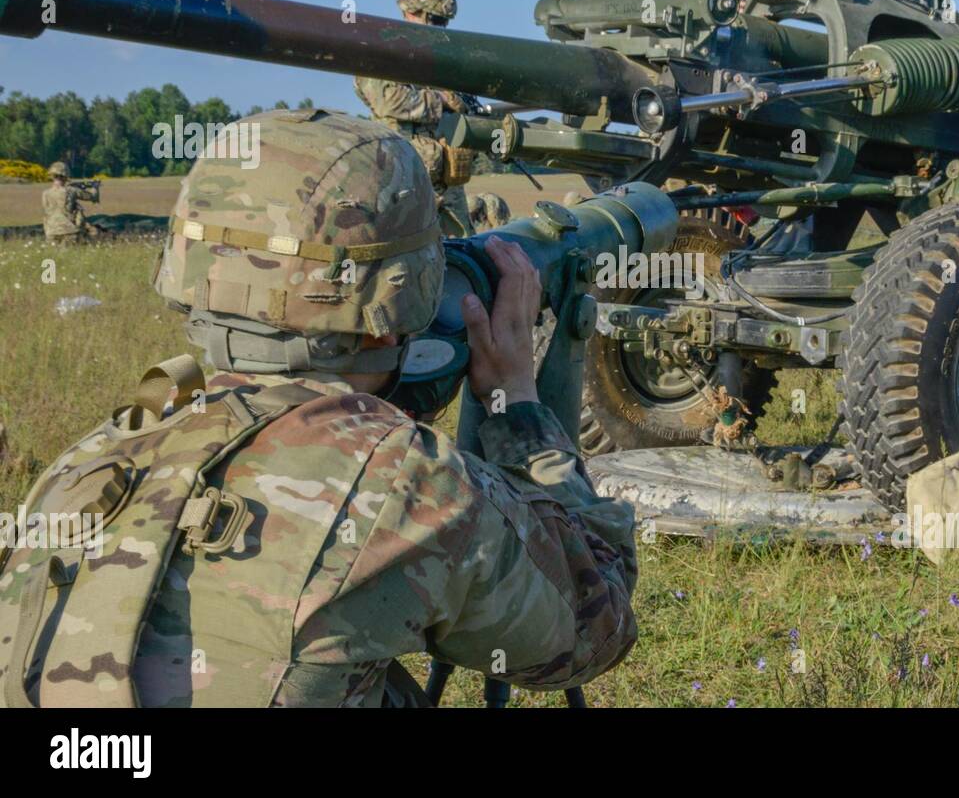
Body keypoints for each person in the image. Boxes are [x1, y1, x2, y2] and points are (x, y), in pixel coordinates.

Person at [0, 108, 637, 707]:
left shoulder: (91, 459)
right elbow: (592, 632)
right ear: (398, 307)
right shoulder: (407, 485)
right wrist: (517, 408)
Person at [354, 0, 477, 237]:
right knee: (406, 251)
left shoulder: (443, 58)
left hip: (447, 178)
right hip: (403, 175)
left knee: (464, 251)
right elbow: (388, 100)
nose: (440, 28)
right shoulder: (384, 52)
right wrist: (440, 101)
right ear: (410, 12)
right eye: (433, 20)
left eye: (444, 22)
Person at [41, 160, 98, 243]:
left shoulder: (45, 193)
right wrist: (95, 187)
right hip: (69, 231)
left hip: (51, 232)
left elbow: (46, 212)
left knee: (53, 255)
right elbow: (92, 197)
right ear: (66, 175)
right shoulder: (71, 191)